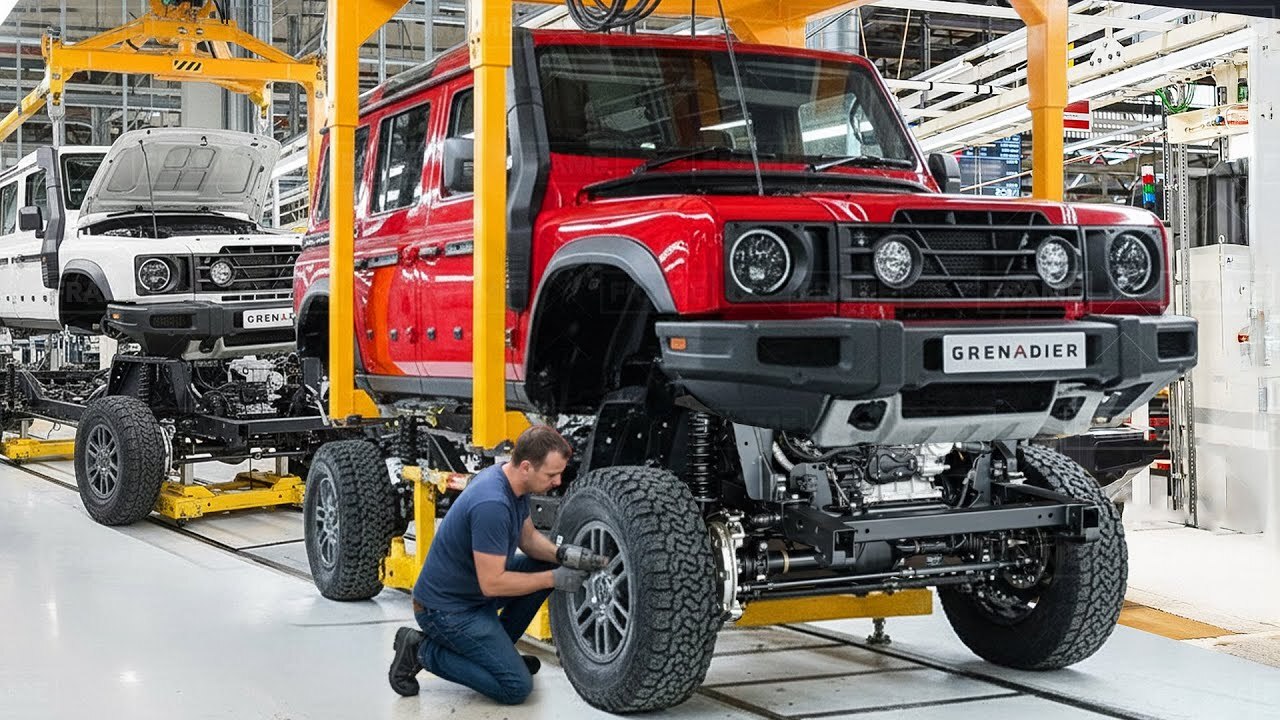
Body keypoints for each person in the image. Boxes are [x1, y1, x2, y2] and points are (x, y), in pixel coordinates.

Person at [387, 424, 609, 704]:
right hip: (445, 610)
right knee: (516, 687)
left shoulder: (512, 482)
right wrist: (555, 578)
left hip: (470, 594)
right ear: (527, 467)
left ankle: (494, 657)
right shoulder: (492, 503)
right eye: (552, 474)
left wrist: (563, 555)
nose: (557, 482)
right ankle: (421, 650)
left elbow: (528, 539)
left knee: (540, 566)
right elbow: (492, 583)